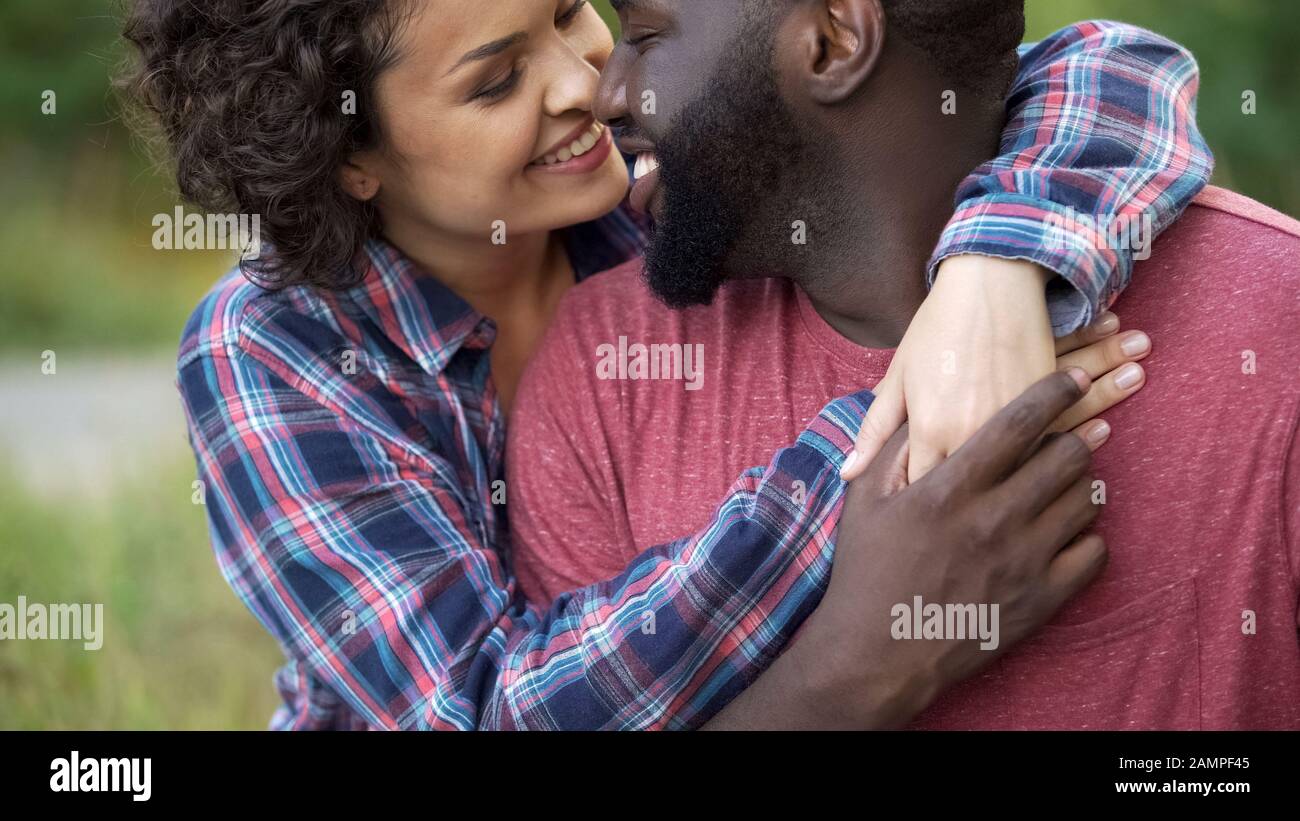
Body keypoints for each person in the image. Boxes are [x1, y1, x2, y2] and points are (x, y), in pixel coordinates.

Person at [121, 0, 1209, 728]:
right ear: (351, 154)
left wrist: (995, 262)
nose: (585, 78)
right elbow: (483, 704)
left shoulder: (661, 205)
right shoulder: (276, 351)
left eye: (564, 11)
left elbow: (1097, 67)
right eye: (499, 79)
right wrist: (874, 447)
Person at [508, 0, 1300, 728]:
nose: (604, 95)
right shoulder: (602, 374)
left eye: (644, 37)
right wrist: (860, 663)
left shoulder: (1269, 329)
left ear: (834, 41)